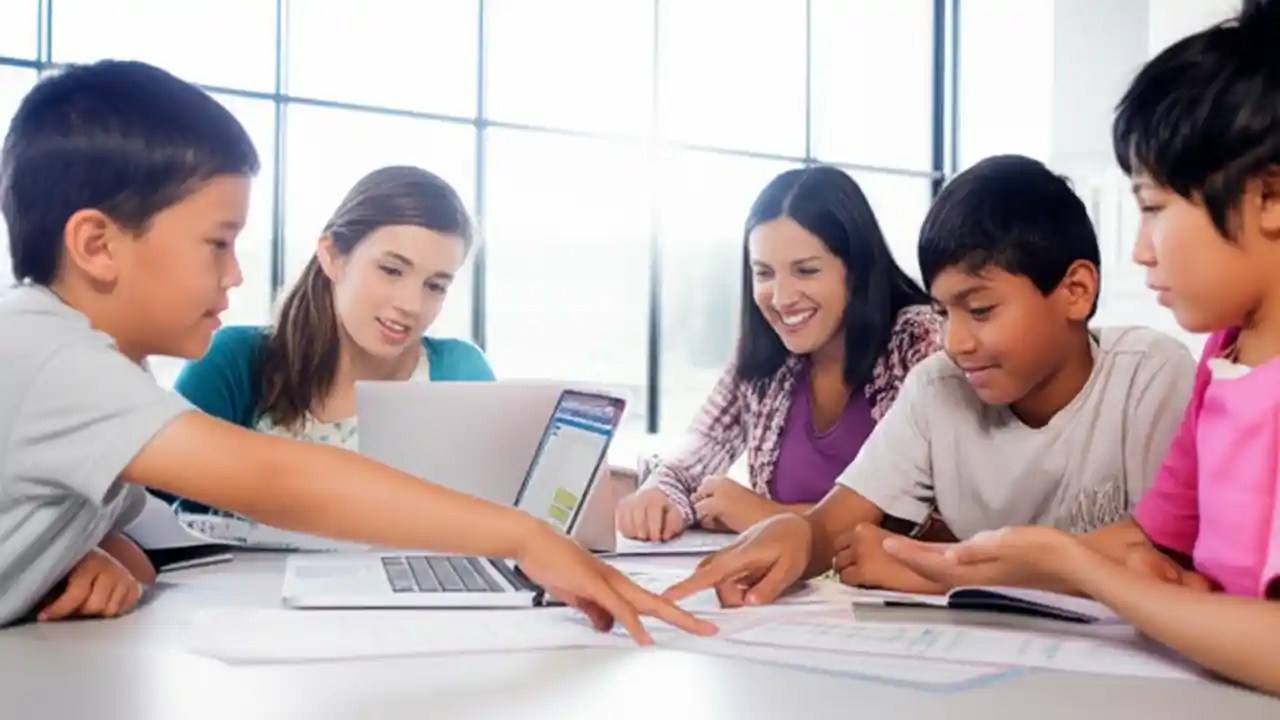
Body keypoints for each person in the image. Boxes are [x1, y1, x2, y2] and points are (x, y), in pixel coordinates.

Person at [0, 60, 713, 645]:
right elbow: (278, 481)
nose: (237, 273)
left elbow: (142, 546)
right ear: (97, 245)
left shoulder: (97, 373)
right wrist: (525, 537)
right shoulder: (48, 354)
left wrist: (90, 557)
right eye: (217, 242)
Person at [879, 2, 1280, 696]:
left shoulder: (1166, 371)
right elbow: (1147, 544)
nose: (1140, 249)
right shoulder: (1226, 357)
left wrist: (1084, 569)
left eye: (1154, 208)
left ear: (1270, 197)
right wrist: (971, 563)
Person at [664, 154, 1195, 603]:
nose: (954, 341)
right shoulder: (938, 386)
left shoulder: (1148, 375)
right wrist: (798, 535)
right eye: (943, 313)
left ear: (1075, 292)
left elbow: (1160, 556)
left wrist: (935, 568)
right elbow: (837, 524)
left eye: (980, 309)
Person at [615, 166, 941, 541]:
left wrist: (768, 516)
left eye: (805, 271)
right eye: (764, 273)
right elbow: (693, 458)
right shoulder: (766, 355)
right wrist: (660, 495)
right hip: (795, 597)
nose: (781, 298)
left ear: (857, 269)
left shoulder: (918, 341)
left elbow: (935, 521)